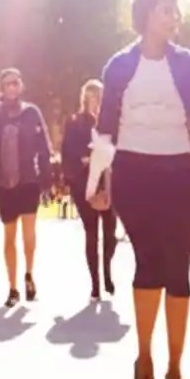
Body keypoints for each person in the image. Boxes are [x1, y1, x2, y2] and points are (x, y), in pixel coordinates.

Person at [85, 0, 190, 379]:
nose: (174, 15)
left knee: (179, 271)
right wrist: (99, 182)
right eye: (166, 9)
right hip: (134, 174)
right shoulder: (120, 65)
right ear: (145, 16)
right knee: (150, 264)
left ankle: (175, 372)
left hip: (180, 173)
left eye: (176, 9)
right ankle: (144, 357)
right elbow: (105, 130)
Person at [0, 68, 54, 308]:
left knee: (28, 234)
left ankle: (29, 273)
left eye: (16, 83)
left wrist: (47, 180)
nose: (12, 88)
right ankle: (13, 287)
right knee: (9, 236)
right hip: (4, 182)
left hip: (29, 180)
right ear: (1, 88)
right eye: (7, 84)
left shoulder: (32, 113)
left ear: (21, 86)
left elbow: (44, 148)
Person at [61, 79, 118, 301]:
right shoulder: (75, 123)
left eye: (98, 97)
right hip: (84, 184)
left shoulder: (111, 123)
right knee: (92, 233)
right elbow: (68, 151)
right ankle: (95, 284)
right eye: (90, 97)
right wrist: (83, 158)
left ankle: (107, 272)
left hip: (109, 182)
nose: (94, 101)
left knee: (110, 234)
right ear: (84, 99)